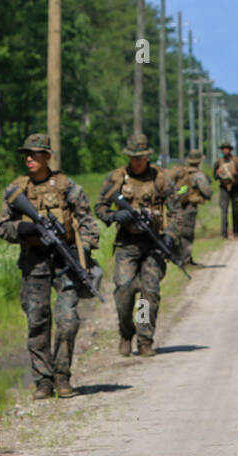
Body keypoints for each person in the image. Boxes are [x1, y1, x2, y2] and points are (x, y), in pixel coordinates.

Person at [0, 133, 101, 399]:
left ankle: (62, 376)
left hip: (65, 262)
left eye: (34, 154)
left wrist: (83, 252)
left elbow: (88, 222)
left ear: (47, 157)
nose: (29, 159)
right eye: (26, 155)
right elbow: (2, 228)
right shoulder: (17, 189)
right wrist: (24, 227)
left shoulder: (66, 186)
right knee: (37, 322)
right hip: (34, 264)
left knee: (68, 320)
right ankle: (43, 381)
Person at [95, 132, 183, 357]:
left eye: (141, 157)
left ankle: (145, 338)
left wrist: (169, 236)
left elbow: (177, 212)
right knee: (123, 291)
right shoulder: (116, 178)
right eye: (133, 157)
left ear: (147, 157)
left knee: (149, 291)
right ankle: (126, 332)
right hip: (127, 243)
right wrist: (115, 218)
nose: (137, 161)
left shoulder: (160, 178)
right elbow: (100, 207)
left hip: (154, 243)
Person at [172, 147, 212, 265]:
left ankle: (180, 257)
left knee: (180, 232)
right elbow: (207, 191)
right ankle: (186, 260)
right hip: (190, 206)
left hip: (179, 205)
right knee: (187, 233)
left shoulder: (181, 172)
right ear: (199, 161)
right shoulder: (197, 174)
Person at [213, 141, 238, 239]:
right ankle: (224, 233)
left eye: (227, 148)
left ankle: (236, 232)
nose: (225, 150)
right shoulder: (219, 162)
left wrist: (236, 174)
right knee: (224, 211)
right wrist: (218, 174)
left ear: (230, 150)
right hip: (224, 188)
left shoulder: (236, 161)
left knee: (235, 210)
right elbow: (215, 176)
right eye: (223, 149)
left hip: (235, 188)